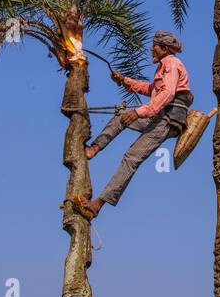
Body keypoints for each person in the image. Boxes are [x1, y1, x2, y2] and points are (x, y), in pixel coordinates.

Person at [72, 31, 193, 218]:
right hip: (160, 116)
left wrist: (138, 112)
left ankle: (98, 204)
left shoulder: (171, 64)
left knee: (131, 157)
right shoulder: (164, 66)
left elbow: (167, 94)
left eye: (155, 46)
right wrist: (125, 81)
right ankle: (94, 148)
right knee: (121, 115)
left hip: (167, 120)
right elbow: (153, 89)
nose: (151, 48)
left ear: (164, 48)